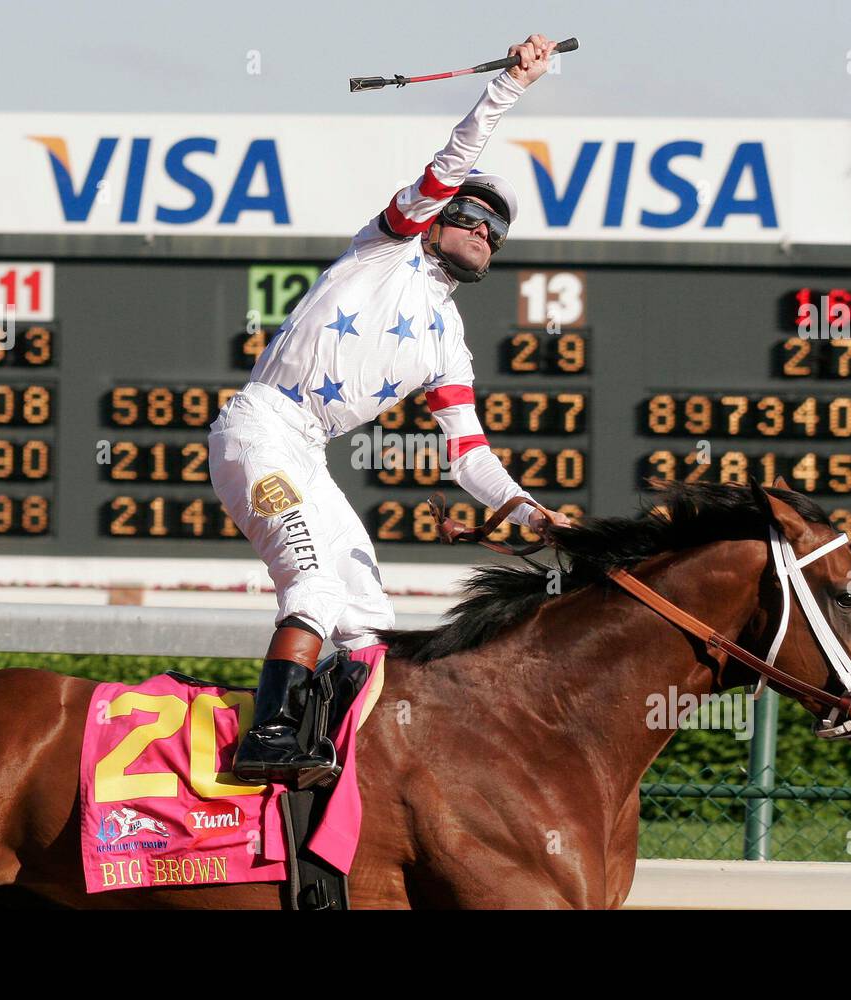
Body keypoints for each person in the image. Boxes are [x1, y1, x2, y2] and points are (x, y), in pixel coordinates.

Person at [211, 34, 572, 784]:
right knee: (312, 585)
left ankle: (348, 755)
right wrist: (509, 87)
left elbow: (468, 457)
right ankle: (269, 736)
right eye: (473, 215)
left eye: (497, 232)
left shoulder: (450, 342)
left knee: (369, 613)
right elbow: (449, 159)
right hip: (259, 432)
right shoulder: (386, 248)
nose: (483, 232)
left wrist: (529, 510)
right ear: (440, 215)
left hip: (305, 455)